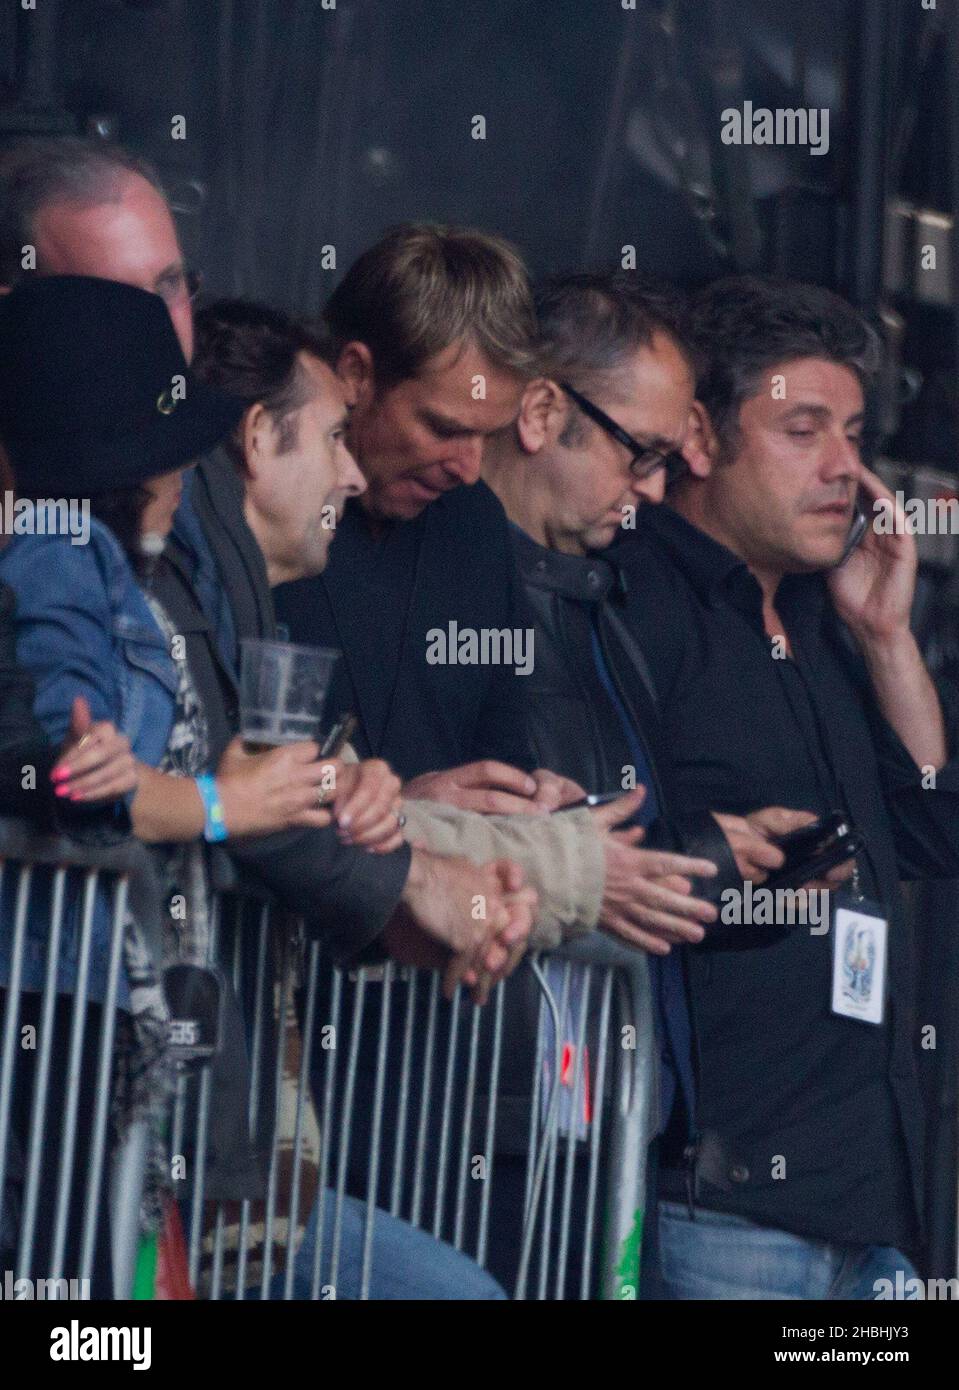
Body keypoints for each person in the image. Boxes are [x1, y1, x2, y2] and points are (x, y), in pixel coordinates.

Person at [482, 270, 826, 1288]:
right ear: (541, 412)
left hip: (601, 1116)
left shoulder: (602, 604)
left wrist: (717, 867)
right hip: (474, 1111)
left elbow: (609, 840)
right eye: (640, 455)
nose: (651, 491)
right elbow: (455, 832)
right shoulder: (450, 586)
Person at [623, 274, 959, 1299]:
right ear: (698, 437)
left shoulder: (824, 618)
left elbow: (931, 828)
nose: (843, 469)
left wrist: (886, 639)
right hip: (718, 1206)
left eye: (851, 433)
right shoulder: (635, 601)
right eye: (801, 429)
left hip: (865, 1207)